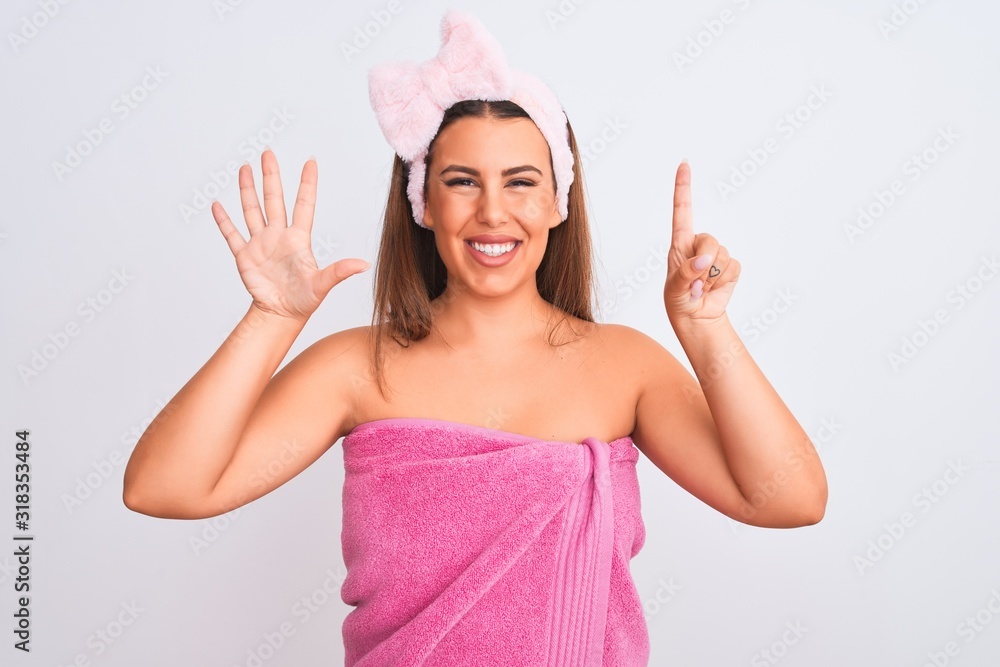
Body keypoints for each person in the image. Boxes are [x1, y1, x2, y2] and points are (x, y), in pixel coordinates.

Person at [123, 10, 826, 666]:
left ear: (557, 202)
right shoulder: (357, 369)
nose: (493, 212)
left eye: (520, 182)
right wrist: (271, 320)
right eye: (462, 181)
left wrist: (705, 330)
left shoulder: (625, 367)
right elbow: (163, 486)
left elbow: (789, 498)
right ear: (423, 202)